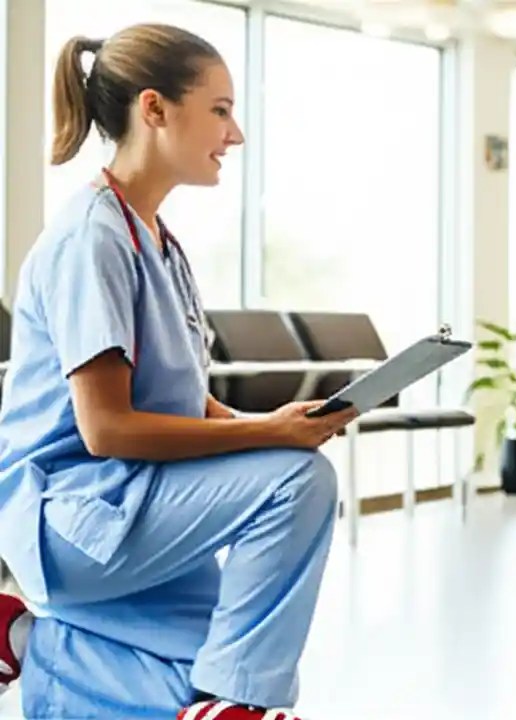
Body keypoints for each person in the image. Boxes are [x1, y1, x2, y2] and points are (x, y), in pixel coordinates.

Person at [0, 24, 357, 720]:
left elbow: (187, 401)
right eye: (220, 110)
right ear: (156, 109)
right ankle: (242, 704)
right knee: (299, 482)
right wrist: (274, 442)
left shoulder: (157, 240)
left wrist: (274, 424)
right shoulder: (90, 240)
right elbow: (106, 430)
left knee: (181, 690)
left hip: (132, 505)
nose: (236, 134)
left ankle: (30, 643)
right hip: (74, 518)